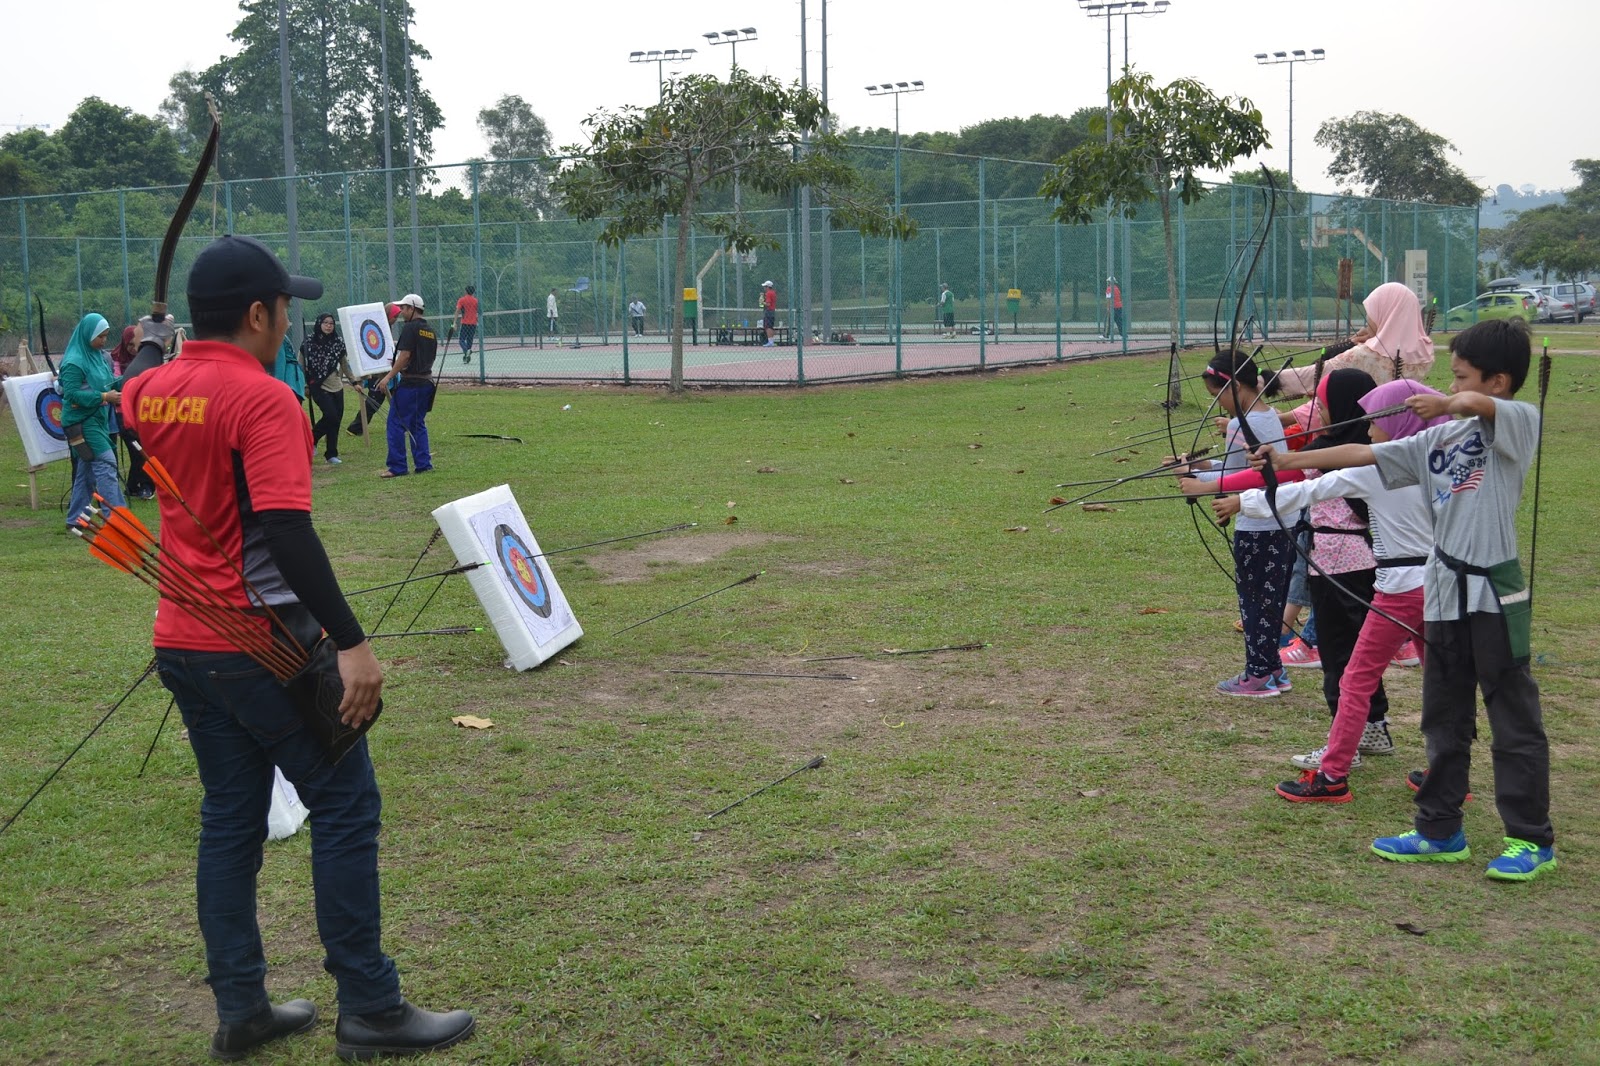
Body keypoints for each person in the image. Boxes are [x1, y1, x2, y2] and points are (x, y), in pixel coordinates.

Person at [119, 234, 475, 1057]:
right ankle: (370, 1008)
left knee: (231, 819)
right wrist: (351, 643)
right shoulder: (262, 397)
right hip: (259, 643)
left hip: (183, 642)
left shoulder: (149, 393)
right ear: (255, 313)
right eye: (284, 307)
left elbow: (136, 379)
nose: (289, 320)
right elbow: (284, 529)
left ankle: (242, 1010)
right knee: (346, 803)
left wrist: (149, 335)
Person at [1253, 318, 1556, 880]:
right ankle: (1439, 829)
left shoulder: (1515, 424)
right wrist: (1285, 462)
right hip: (1441, 588)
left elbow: (1495, 411)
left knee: (1511, 716)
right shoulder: (1441, 437)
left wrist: (1451, 399)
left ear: (1497, 381)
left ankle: (1530, 839)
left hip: (1493, 589)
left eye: (1462, 376)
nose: (1451, 384)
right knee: (1444, 713)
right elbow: (1363, 458)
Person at [1230, 379, 1450, 803]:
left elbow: (1312, 489)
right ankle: (1448, 771)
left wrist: (1247, 502)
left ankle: (1332, 776)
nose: (1367, 431)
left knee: (1355, 680)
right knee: (1440, 679)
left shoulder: (1379, 470)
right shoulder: (1436, 462)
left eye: (1374, 423)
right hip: (1439, 584)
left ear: (1401, 423)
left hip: (1400, 590)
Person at [1204, 369, 1394, 770]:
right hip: (1362, 567)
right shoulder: (1362, 447)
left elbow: (1295, 486)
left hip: (1337, 569)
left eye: (1323, 406)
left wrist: (1235, 497)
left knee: (1340, 658)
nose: (1318, 412)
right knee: (1361, 654)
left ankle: (1347, 745)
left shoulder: (1350, 455)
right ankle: (1374, 727)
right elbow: (1287, 473)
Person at [1173, 351, 1290, 696]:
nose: (1218, 406)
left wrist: (1197, 480)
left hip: (1258, 524)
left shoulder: (1241, 422)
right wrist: (1196, 465)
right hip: (1281, 522)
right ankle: (1273, 669)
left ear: (1236, 387)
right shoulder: (1269, 417)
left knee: (1254, 600)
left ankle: (1258, 674)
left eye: (1218, 397)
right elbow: (1240, 467)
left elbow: (1244, 477)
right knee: (1270, 600)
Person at [1272, 282, 1436, 399]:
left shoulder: (1364, 355)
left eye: (1373, 312)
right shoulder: (1424, 353)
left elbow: (1312, 376)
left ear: (1386, 314)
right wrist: (1363, 340)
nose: (1369, 319)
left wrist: (1263, 378)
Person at [57, 312, 129, 529]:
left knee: (87, 472)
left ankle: (75, 519)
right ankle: (116, 520)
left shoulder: (97, 356)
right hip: (81, 422)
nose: (104, 341)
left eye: (106, 336)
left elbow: (106, 382)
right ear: (88, 334)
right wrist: (104, 397)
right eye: (100, 336)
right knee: (107, 464)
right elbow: (70, 394)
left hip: (96, 420)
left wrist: (129, 380)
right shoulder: (74, 362)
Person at [375, 293, 437, 478]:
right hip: (426, 382)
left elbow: (405, 355)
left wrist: (388, 377)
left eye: (403, 308)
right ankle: (423, 464)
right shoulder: (430, 330)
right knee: (417, 424)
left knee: (395, 423)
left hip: (411, 384)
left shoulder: (410, 328)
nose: (401, 312)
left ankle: (398, 467)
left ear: (412, 309)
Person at [302, 312, 356, 465]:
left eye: (331, 323)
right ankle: (311, 440)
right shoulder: (309, 342)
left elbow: (344, 364)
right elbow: (301, 364)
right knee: (331, 415)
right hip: (317, 385)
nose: (328, 326)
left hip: (336, 385)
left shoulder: (337, 342)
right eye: (325, 323)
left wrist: (354, 381)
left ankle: (331, 453)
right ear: (319, 324)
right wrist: (306, 385)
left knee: (336, 420)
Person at [109, 326, 156, 499]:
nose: (132, 349)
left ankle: (141, 486)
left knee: (146, 450)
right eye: (129, 345)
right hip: (123, 413)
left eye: (134, 344)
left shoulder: (147, 359)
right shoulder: (116, 359)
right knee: (138, 451)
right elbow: (117, 384)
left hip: (145, 410)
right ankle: (139, 486)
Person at [454, 285, 479, 363]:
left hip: (465, 323)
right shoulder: (476, 301)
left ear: (466, 291)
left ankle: (466, 351)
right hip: (473, 323)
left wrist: (454, 322)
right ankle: (467, 356)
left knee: (461, 340)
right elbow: (478, 312)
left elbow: (458, 310)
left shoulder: (462, 300)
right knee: (469, 339)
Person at [761, 280, 778, 347]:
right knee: (770, 326)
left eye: (765, 287)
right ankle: (771, 341)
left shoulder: (768, 293)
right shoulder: (773, 292)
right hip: (772, 311)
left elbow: (768, 304)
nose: (764, 288)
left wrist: (762, 303)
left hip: (769, 311)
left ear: (768, 287)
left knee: (768, 327)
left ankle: (770, 342)